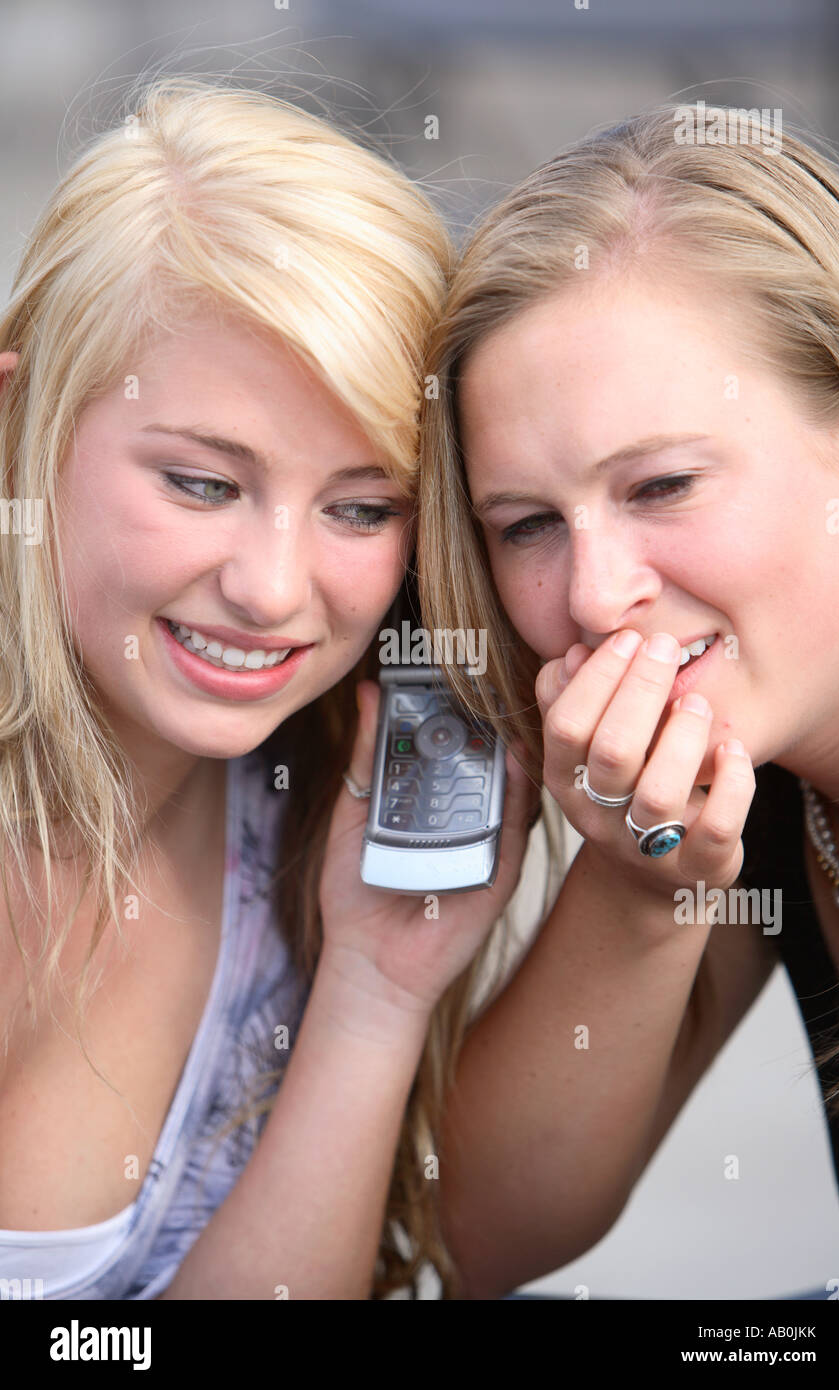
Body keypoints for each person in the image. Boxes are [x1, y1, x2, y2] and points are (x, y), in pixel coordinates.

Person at [0, 73, 536, 1301]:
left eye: (359, 506)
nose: (272, 587)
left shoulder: (292, 813)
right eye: (200, 483)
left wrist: (370, 991)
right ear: (18, 422)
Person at [417, 104, 839, 1298]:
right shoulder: (760, 785)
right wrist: (637, 884)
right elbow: (476, 1238)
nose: (595, 594)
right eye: (526, 526)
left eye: (660, 484)